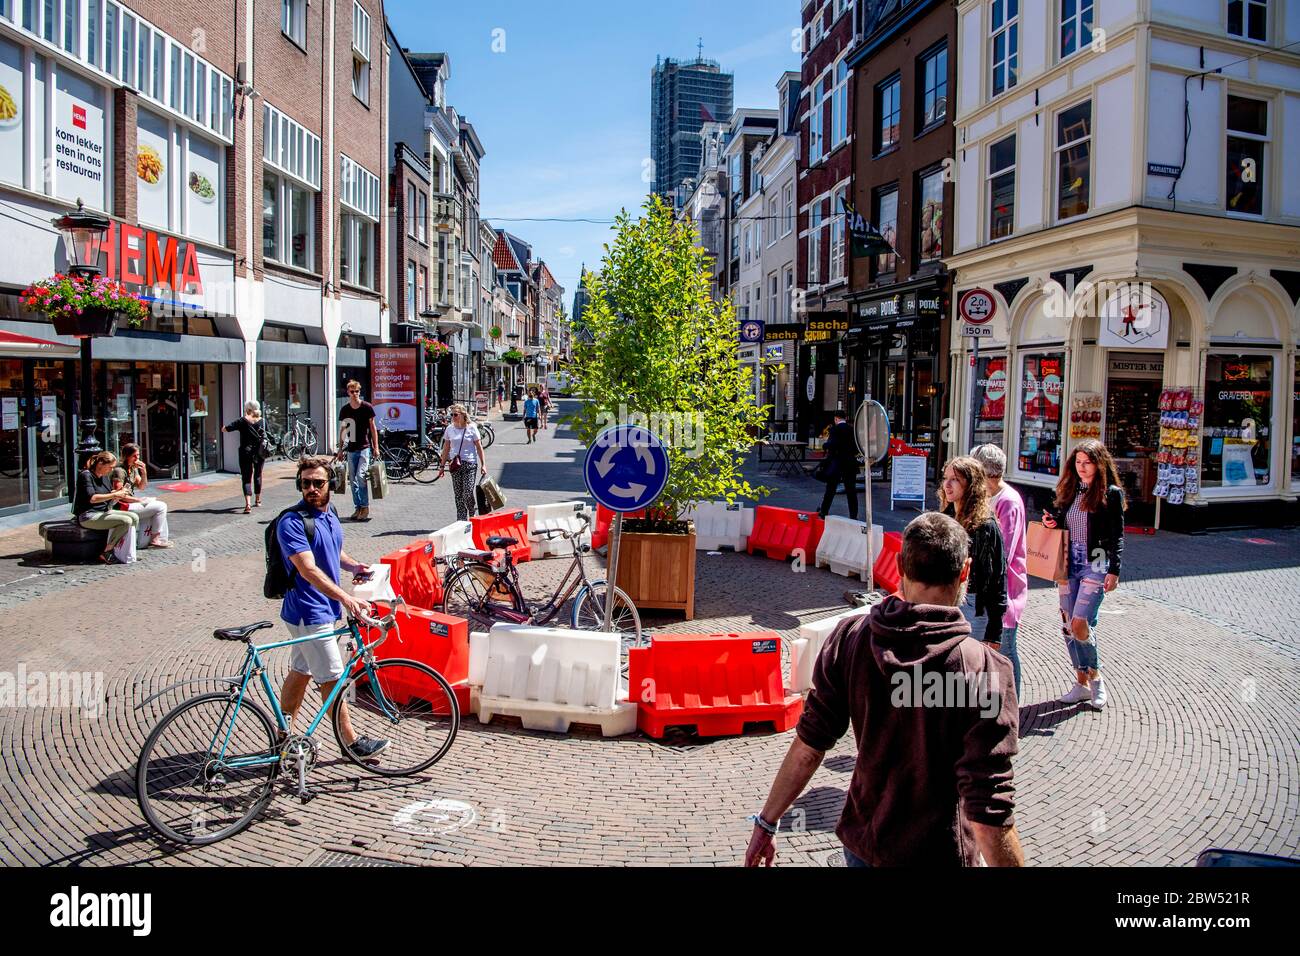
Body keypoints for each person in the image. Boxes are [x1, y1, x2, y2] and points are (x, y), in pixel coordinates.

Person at [744, 511, 1022, 867]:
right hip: (939, 853)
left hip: (865, 844)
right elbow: (988, 810)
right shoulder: (984, 669)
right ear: (965, 571)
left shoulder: (850, 639)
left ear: (898, 565)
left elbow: (809, 746)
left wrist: (766, 822)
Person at [275, 457, 388, 758]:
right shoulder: (292, 522)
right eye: (305, 483)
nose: (311, 489)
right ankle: (351, 744)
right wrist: (346, 598)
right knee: (333, 678)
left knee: (301, 671)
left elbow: (333, 549)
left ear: (330, 485)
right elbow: (308, 569)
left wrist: (354, 566)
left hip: (320, 609)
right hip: (308, 612)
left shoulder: (330, 513)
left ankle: (282, 737)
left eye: (318, 483)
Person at [1041, 438, 1125, 709]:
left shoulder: (1110, 493)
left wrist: (1115, 569)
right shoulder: (1070, 488)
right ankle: (1081, 683)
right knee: (1067, 624)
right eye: (1078, 462)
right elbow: (1060, 519)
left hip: (1096, 563)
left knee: (1080, 623)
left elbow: (1117, 534)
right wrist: (1051, 521)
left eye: (1087, 462)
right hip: (1068, 563)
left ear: (1099, 464)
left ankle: (1097, 678)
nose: (1082, 467)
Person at [971, 444, 1026, 697]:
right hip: (989, 588)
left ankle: (1013, 702)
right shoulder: (987, 498)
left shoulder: (1008, 501)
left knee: (1005, 648)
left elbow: (1006, 549)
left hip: (1005, 590)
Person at [939, 456, 1007, 648]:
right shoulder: (944, 519)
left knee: (969, 671)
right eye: (946, 478)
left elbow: (998, 578)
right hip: (946, 600)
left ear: (970, 484)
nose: (947, 485)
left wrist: (995, 631)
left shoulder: (986, 525)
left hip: (973, 604)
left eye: (955, 479)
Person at [73, 452, 141, 565]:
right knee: (125, 521)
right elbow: (93, 498)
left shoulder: (105, 477)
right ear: (100, 463)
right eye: (110, 467)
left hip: (104, 511)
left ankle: (126, 552)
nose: (111, 470)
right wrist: (114, 495)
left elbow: (109, 495)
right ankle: (107, 551)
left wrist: (120, 493)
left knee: (134, 517)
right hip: (88, 515)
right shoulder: (86, 475)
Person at [111, 443, 173, 549]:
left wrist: (144, 472)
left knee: (157, 505)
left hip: (130, 503)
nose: (137, 458)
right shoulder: (120, 471)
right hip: (122, 505)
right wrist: (138, 500)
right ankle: (155, 539)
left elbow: (142, 486)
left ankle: (160, 538)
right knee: (161, 506)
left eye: (138, 455)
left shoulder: (133, 469)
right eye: (134, 456)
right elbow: (118, 495)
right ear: (127, 456)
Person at [336, 381, 379, 522]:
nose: (355, 394)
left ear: (359, 392)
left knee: (361, 476)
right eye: (352, 391)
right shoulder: (345, 409)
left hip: (364, 447)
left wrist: (376, 447)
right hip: (351, 449)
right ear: (348, 393)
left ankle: (365, 507)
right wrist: (340, 449)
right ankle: (358, 507)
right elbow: (343, 430)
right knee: (353, 479)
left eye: (357, 391)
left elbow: (373, 428)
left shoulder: (367, 407)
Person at [437, 404, 488, 521]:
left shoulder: (472, 428)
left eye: (455, 414)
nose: (453, 417)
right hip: (455, 465)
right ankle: (461, 520)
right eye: (452, 414)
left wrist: (483, 464)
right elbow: (446, 448)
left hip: (470, 463)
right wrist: (441, 466)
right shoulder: (450, 429)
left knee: (467, 492)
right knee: (458, 494)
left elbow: (479, 447)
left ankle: (471, 511)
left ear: (463, 415)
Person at [224, 400, 267, 513]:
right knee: (258, 475)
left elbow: (226, 429)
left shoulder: (242, 421)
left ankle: (248, 505)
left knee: (246, 477)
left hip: (245, 452)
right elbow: (268, 435)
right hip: (260, 452)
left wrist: (224, 427)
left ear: (247, 410)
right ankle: (258, 500)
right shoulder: (263, 421)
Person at [817, 410, 859, 521]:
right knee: (851, 490)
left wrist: (825, 445)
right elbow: (857, 447)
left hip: (837, 463)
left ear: (836, 419)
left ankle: (824, 511)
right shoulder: (852, 430)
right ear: (845, 418)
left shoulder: (834, 429)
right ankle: (853, 515)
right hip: (850, 463)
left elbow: (832, 445)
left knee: (830, 489)